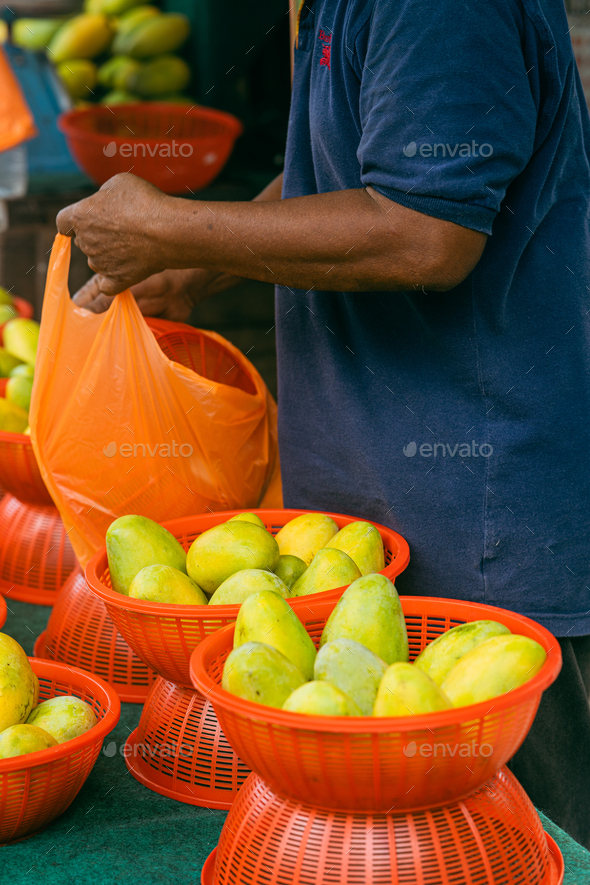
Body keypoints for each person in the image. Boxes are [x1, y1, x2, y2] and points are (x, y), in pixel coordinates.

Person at [58, 0, 590, 846]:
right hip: (376, 505)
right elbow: (340, 170)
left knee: (512, 839)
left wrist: (170, 224)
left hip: (482, 513)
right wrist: (191, 261)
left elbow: (428, 232)